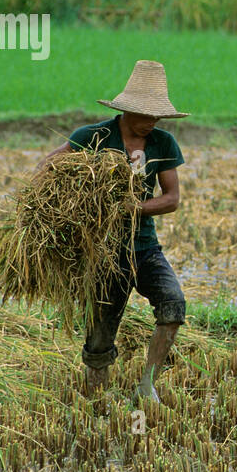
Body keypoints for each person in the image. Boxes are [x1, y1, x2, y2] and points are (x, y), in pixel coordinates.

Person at [36, 60, 188, 403]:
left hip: (145, 248)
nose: (151, 122)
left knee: (173, 304)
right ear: (126, 110)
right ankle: (96, 397)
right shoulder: (94, 136)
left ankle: (147, 383)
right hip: (102, 253)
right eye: (145, 115)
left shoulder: (162, 145)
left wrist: (134, 208)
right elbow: (48, 166)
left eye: (156, 116)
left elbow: (172, 199)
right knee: (100, 336)